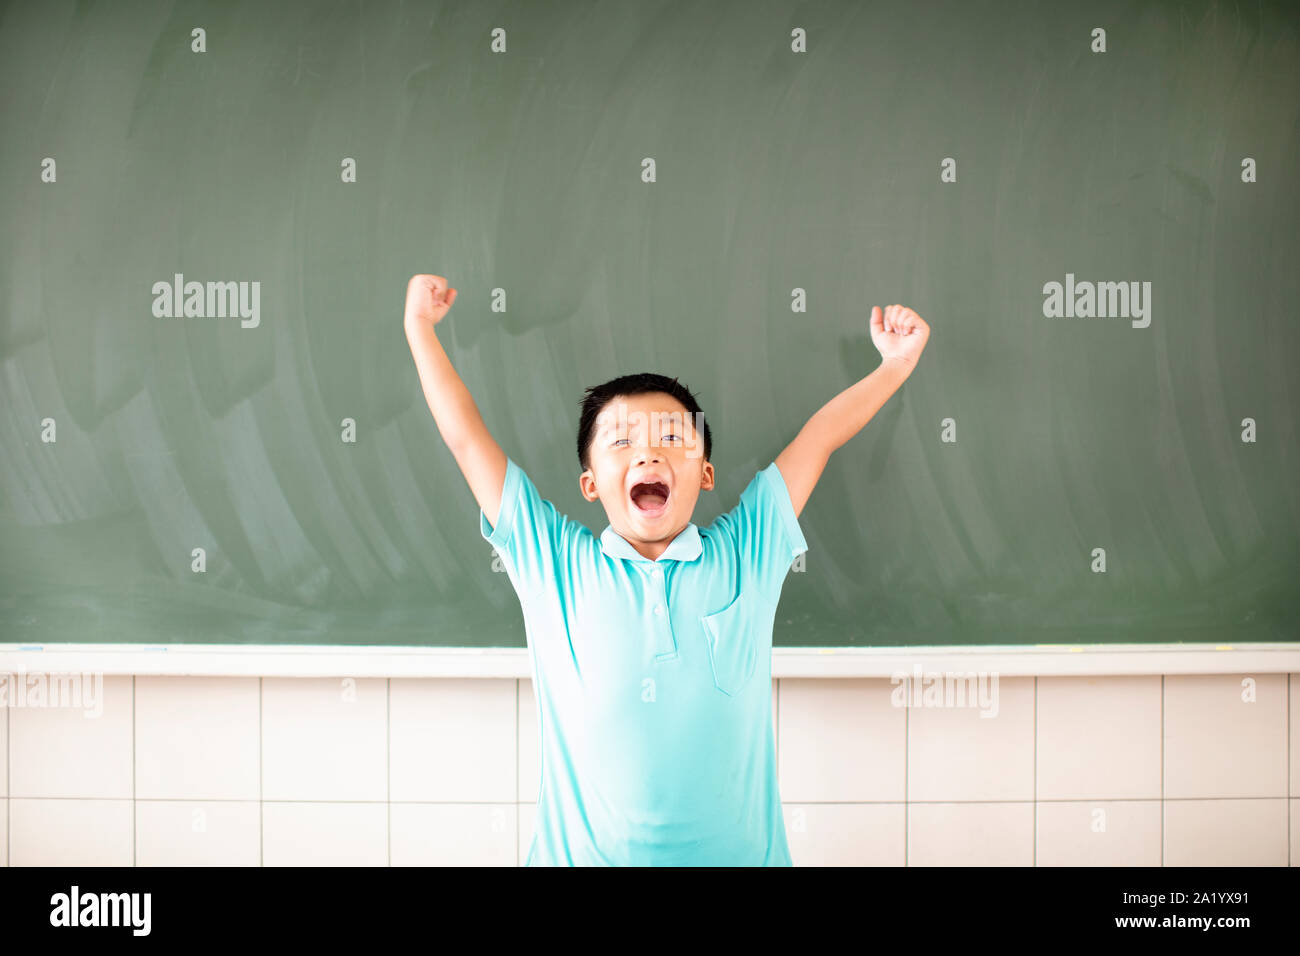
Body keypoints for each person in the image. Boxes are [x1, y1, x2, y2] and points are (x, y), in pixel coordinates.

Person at [404, 274, 930, 864]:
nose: (648, 453)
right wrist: (420, 329)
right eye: (621, 442)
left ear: (706, 473)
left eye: (674, 437)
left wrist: (896, 366)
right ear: (589, 483)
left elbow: (819, 438)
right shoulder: (552, 562)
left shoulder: (748, 550)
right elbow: (466, 441)